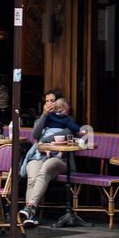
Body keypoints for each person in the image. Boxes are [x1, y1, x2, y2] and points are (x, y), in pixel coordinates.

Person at [19, 95, 87, 227]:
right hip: (38, 156)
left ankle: (30, 206)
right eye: (47, 102)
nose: (50, 104)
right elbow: (35, 135)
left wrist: (43, 142)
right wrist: (44, 115)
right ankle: (31, 214)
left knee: (44, 169)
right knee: (32, 176)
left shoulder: (66, 122)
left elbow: (61, 134)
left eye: (53, 101)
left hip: (60, 159)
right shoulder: (44, 119)